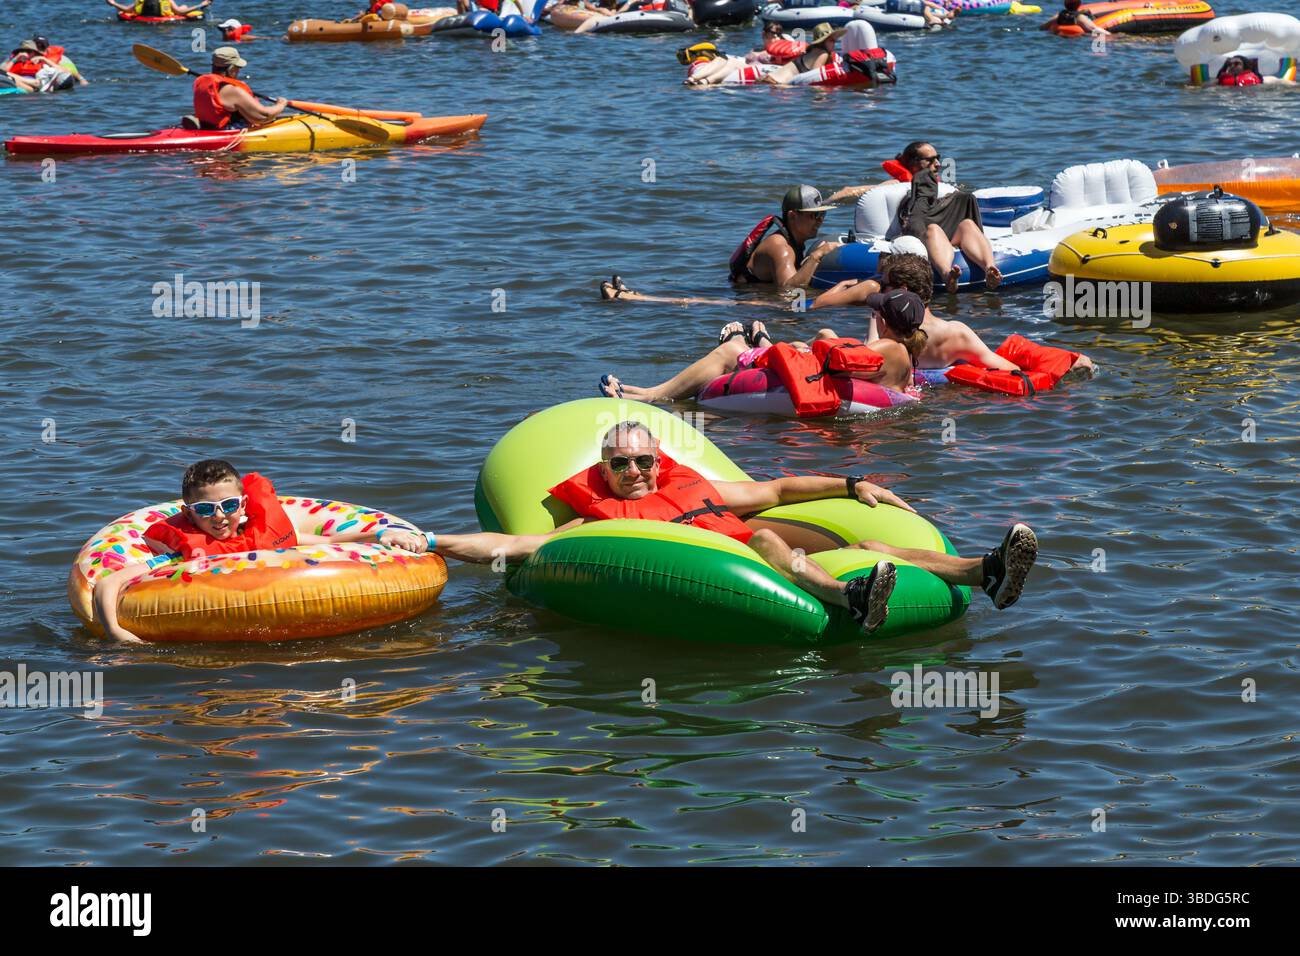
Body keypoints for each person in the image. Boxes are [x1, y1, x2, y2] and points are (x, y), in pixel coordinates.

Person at [421, 421, 1042, 634]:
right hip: (732, 564)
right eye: (620, 465)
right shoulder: (595, 518)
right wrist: (428, 542)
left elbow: (776, 490)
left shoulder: (696, 487)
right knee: (768, 538)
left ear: (659, 462)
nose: (634, 472)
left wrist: (853, 483)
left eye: (644, 462)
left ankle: (984, 573)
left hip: (764, 553)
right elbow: (509, 544)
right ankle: (847, 596)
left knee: (872, 543)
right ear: (602, 471)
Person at [91, 460, 430, 643]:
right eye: (206, 510)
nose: (220, 517)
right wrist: (115, 633)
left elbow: (324, 542)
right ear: (189, 511)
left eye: (228, 505)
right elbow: (110, 583)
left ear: (243, 504)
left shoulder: (262, 533)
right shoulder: (183, 549)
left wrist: (381, 532)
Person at [891, 141, 1001, 293]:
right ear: (913, 163)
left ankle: (990, 268)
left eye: (938, 158)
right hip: (930, 233)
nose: (937, 164)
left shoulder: (939, 186)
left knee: (968, 224)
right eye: (930, 160)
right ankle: (946, 275)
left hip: (949, 233)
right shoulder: (898, 184)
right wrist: (848, 192)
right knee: (933, 229)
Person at [731, 185, 842, 290]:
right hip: (747, 300)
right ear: (792, 216)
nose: (820, 220)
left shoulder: (794, 241)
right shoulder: (780, 247)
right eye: (814, 215)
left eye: (822, 214)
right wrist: (817, 255)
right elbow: (789, 291)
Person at [192, 47, 286, 131]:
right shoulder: (233, 91)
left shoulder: (202, 84)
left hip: (208, 128)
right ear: (231, 69)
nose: (239, 71)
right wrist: (281, 104)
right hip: (227, 133)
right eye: (238, 67)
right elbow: (263, 116)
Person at [762, 22, 842, 85]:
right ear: (824, 41)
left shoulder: (811, 51)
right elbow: (815, 78)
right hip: (777, 84)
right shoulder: (823, 54)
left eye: (835, 40)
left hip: (770, 79)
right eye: (831, 40)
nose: (834, 43)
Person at [1040, 0, 1109, 37]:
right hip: (1079, 37)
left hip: (1060, 36)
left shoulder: (1059, 15)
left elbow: (1043, 27)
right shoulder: (1079, 17)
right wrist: (1112, 35)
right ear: (1079, 4)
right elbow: (1095, 29)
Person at [105, 0, 213, 18]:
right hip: (165, 19)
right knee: (183, 6)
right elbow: (179, 12)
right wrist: (200, 4)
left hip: (143, 18)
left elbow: (128, 10)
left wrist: (114, 3)